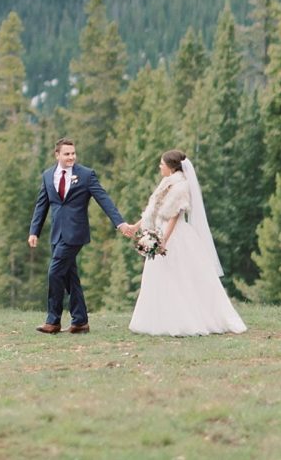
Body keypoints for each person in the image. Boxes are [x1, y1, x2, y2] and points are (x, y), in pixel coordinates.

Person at [124, 150, 247, 336]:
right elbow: (154, 209)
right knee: (157, 276)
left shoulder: (181, 186)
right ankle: (158, 319)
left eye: (161, 164)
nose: (159, 167)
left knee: (180, 277)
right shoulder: (167, 183)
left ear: (171, 167)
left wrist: (163, 240)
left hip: (175, 236)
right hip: (159, 230)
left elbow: (174, 217)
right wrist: (137, 226)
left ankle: (185, 320)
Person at [27, 137, 131, 334]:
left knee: (54, 272)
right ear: (57, 155)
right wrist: (34, 231)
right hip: (56, 234)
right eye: (67, 154)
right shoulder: (48, 175)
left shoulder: (86, 175)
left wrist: (119, 222)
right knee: (69, 276)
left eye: (73, 153)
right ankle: (80, 321)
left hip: (75, 233)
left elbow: (104, 199)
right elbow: (42, 205)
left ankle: (53, 320)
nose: (71, 157)